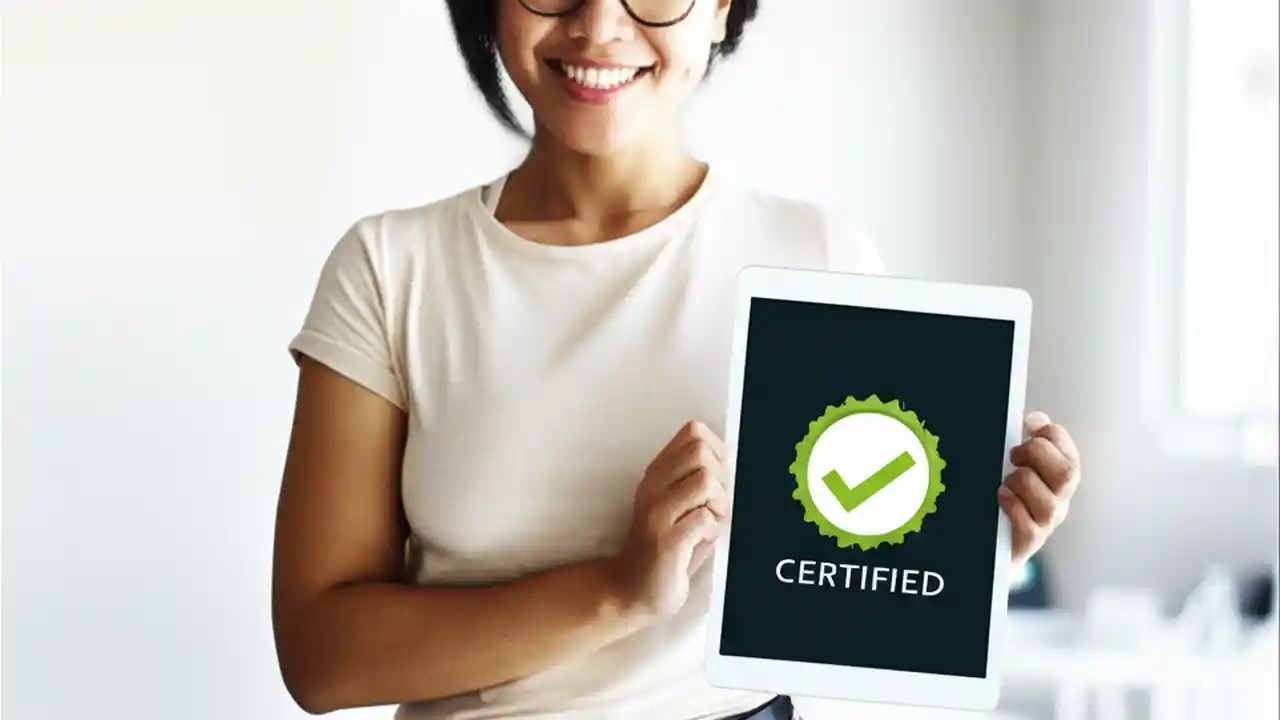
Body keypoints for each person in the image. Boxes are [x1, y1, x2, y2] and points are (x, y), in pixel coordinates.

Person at [270, 1, 1084, 718]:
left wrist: (960, 560)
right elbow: (321, 660)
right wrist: (619, 590)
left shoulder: (815, 254)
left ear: (723, 7)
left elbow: (845, 600)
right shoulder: (389, 268)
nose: (598, 25)